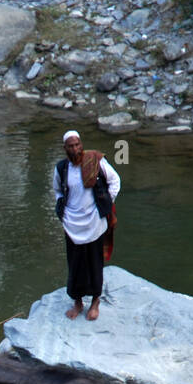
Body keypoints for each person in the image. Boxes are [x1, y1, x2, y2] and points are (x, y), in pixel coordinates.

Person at [53, 130, 121, 321]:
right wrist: (64, 212)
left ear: (81, 145)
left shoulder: (96, 162)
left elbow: (115, 181)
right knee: (75, 264)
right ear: (65, 148)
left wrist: (105, 203)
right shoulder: (62, 168)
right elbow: (58, 190)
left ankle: (95, 301)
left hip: (94, 221)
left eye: (77, 145)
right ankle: (77, 302)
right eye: (71, 146)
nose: (75, 149)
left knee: (94, 263)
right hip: (72, 224)